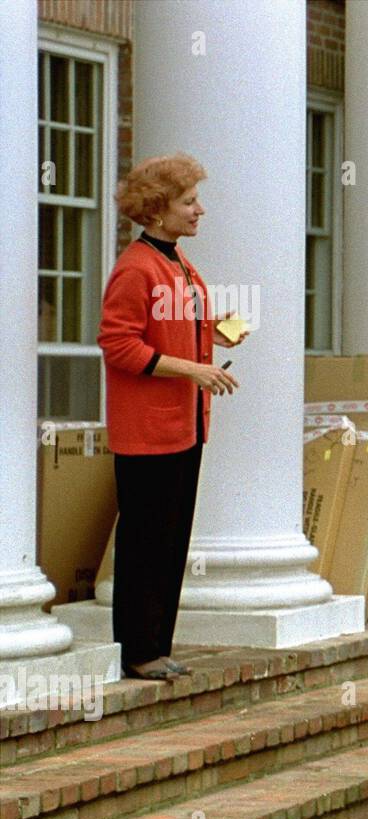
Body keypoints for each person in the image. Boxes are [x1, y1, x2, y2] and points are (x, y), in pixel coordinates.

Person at [97, 153, 247, 681]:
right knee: (146, 541)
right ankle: (139, 650)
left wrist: (219, 333)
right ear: (159, 210)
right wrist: (194, 369)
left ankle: (155, 645)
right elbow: (118, 344)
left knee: (170, 539)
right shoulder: (137, 267)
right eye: (189, 202)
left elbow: (173, 328)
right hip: (150, 431)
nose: (199, 210)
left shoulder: (176, 261)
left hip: (184, 426)